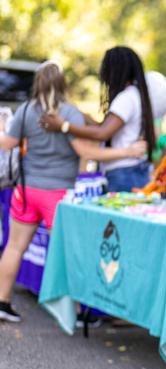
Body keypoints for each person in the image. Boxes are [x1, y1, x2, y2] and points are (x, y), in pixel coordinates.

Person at [0, 61, 144, 322]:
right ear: (63, 83)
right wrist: (128, 152)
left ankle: (2, 302)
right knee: (68, 253)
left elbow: (8, 143)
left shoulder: (25, 110)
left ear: (37, 82)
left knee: (14, 247)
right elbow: (87, 152)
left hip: (25, 189)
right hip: (57, 194)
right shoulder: (69, 113)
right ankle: (77, 313)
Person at [40, 46, 156, 193]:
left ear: (116, 69)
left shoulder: (125, 98)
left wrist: (63, 126)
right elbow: (107, 127)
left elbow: (103, 133)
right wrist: (82, 116)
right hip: (130, 170)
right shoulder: (134, 94)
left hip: (124, 172)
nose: (103, 73)